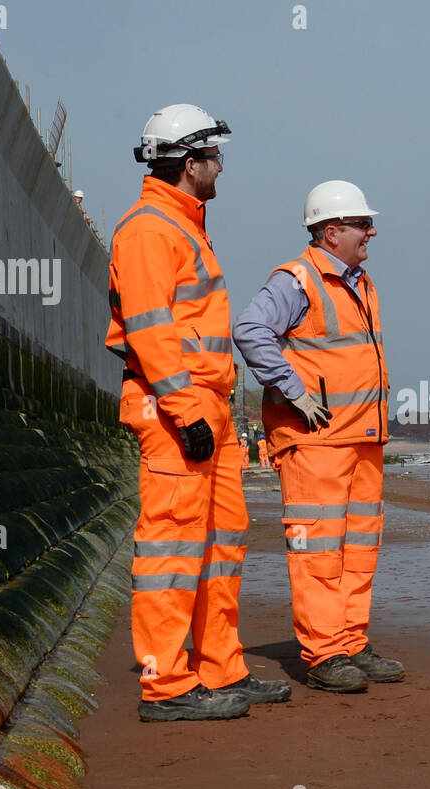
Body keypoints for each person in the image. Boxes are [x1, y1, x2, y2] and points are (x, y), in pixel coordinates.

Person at [106, 103, 289, 721]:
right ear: (191, 163)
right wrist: (187, 413)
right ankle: (166, 687)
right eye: (215, 156)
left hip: (202, 408)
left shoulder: (182, 223)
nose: (221, 167)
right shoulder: (150, 231)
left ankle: (220, 670)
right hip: (174, 411)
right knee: (172, 550)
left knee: (219, 545)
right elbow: (151, 332)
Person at [233, 180, 403, 693]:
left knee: (358, 550)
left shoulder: (361, 282)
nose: (370, 231)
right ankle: (324, 653)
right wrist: (292, 390)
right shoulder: (298, 280)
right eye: (360, 224)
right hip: (317, 443)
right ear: (332, 232)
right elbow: (250, 330)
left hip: (363, 442)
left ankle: (350, 642)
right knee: (319, 553)